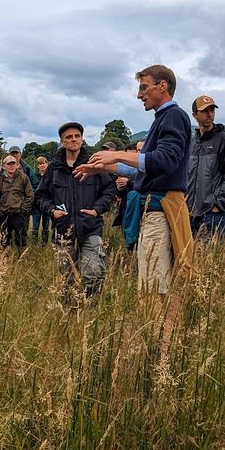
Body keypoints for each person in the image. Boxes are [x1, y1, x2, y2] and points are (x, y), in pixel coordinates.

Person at [76, 65, 191, 296]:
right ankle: (166, 332)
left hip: (161, 210)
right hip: (155, 210)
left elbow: (166, 160)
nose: (139, 95)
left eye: (144, 88)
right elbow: (145, 169)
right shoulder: (163, 118)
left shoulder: (174, 116)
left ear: (163, 86)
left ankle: (163, 333)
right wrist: (101, 167)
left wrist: (118, 154)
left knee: (154, 287)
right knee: (158, 282)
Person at [35, 121, 118, 298]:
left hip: (90, 227)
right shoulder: (54, 169)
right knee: (65, 276)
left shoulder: (93, 164)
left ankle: (91, 308)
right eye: (69, 137)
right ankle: (70, 309)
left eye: (77, 136)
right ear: (62, 141)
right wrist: (52, 211)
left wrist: (97, 209)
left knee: (94, 272)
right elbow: (40, 196)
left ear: (82, 139)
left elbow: (110, 191)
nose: (74, 140)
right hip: (63, 230)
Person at [187, 95, 225, 241]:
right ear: (195, 115)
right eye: (205, 111)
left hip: (214, 215)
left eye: (212, 110)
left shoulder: (224, 139)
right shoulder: (192, 143)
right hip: (191, 215)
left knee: (215, 259)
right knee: (192, 260)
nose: (209, 114)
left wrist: (218, 205)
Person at [0, 154, 35, 249]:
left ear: (17, 164)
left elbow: (30, 195)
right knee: (5, 239)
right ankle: (5, 260)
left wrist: (23, 209)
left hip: (18, 213)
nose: (12, 166)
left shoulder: (23, 177)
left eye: (13, 163)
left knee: (21, 239)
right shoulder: (0, 179)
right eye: (9, 164)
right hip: (5, 213)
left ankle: (21, 259)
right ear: (4, 165)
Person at [30, 156, 51, 243]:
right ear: (37, 166)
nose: (42, 165)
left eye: (44, 163)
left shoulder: (50, 176)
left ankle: (44, 244)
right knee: (35, 225)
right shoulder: (34, 176)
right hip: (36, 205)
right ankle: (34, 244)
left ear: (47, 164)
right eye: (40, 164)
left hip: (47, 204)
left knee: (46, 225)